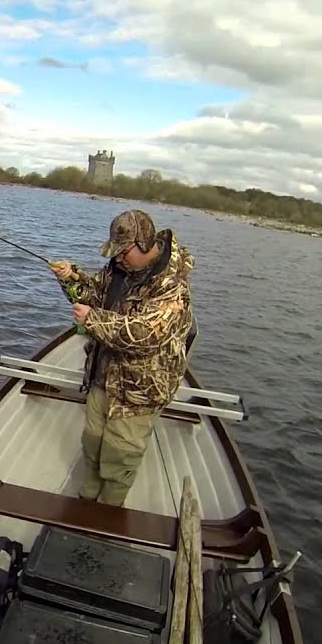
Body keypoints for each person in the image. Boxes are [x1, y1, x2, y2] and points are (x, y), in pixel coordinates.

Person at [47, 209, 196, 507]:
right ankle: (86, 502)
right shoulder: (118, 270)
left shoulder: (172, 288)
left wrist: (94, 320)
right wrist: (70, 277)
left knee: (118, 458)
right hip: (103, 378)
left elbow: (144, 334)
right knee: (92, 445)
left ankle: (107, 515)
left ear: (146, 244)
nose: (117, 258)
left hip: (138, 393)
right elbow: (90, 296)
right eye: (115, 252)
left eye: (124, 251)